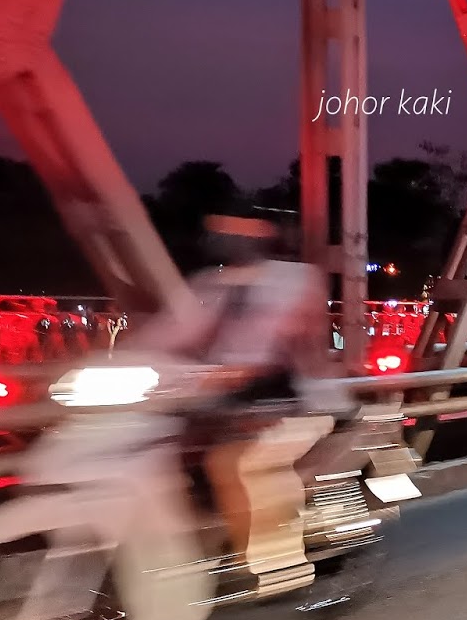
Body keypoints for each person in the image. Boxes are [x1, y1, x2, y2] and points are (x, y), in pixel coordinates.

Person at [125, 211, 339, 590]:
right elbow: (170, 332)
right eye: (221, 233)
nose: (228, 240)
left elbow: (279, 337)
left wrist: (231, 373)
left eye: (238, 231)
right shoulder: (212, 284)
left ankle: (276, 562)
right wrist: (121, 359)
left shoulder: (294, 280)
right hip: (227, 403)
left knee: (239, 464)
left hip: (294, 401)